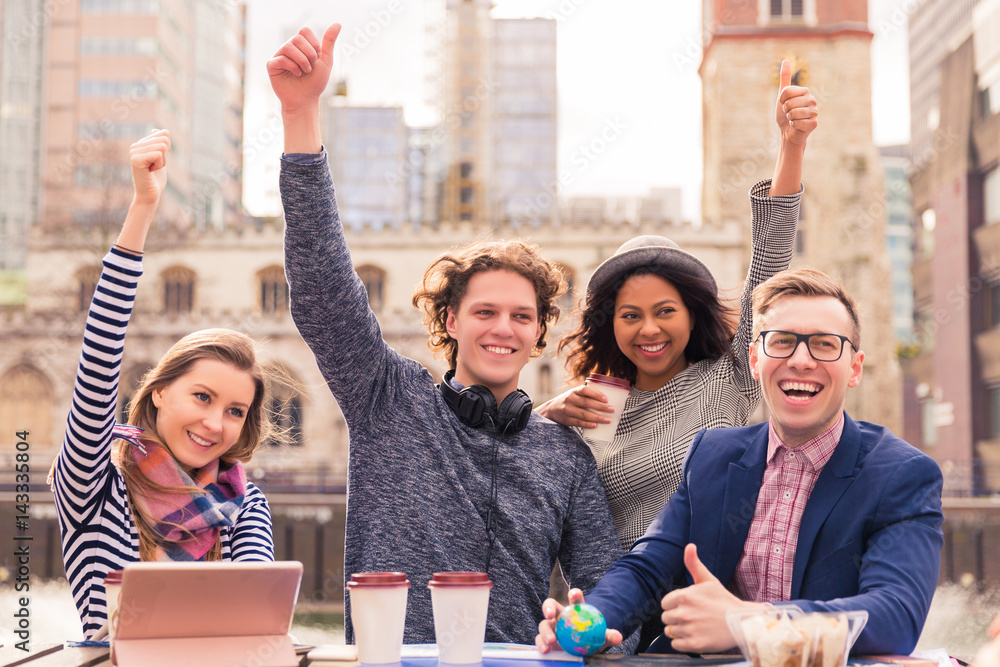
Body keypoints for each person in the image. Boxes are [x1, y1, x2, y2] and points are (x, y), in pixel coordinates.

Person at [268, 24, 624, 646]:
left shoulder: (565, 455)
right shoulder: (390, 401)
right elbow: (324, 289)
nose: (503, 329)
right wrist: (301, 116)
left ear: (540, 331)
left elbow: (605, 581)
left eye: (521, 316)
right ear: (450, 320)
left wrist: (593, 625)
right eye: (484, 312)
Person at [535, 268, 944, 656]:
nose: (801, 360)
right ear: (754, 360)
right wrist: (588, 618)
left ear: (854, 368)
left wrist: (747, 623)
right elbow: (646, 567)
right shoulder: (712, 454)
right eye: (782, 341)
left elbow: (895, 617)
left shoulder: (901, 475)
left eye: (824, 344)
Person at [537, 61, 818, 555]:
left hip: (713, 597)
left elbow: (771, 263)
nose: (649, 329)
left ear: (693, 314)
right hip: (613, 608)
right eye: (630, 315)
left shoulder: (728, 376)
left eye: (665, 311)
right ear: (609, 325)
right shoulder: (594, 406)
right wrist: (544, 418)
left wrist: (791, 146)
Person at [52, 130, 276, 639]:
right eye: (202, 397)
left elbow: (254, 621)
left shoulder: (245, 503)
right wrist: (143, 208)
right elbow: (98, 359)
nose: (215, 423)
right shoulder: (94, 488)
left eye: (236, 411)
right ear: (158, 392)